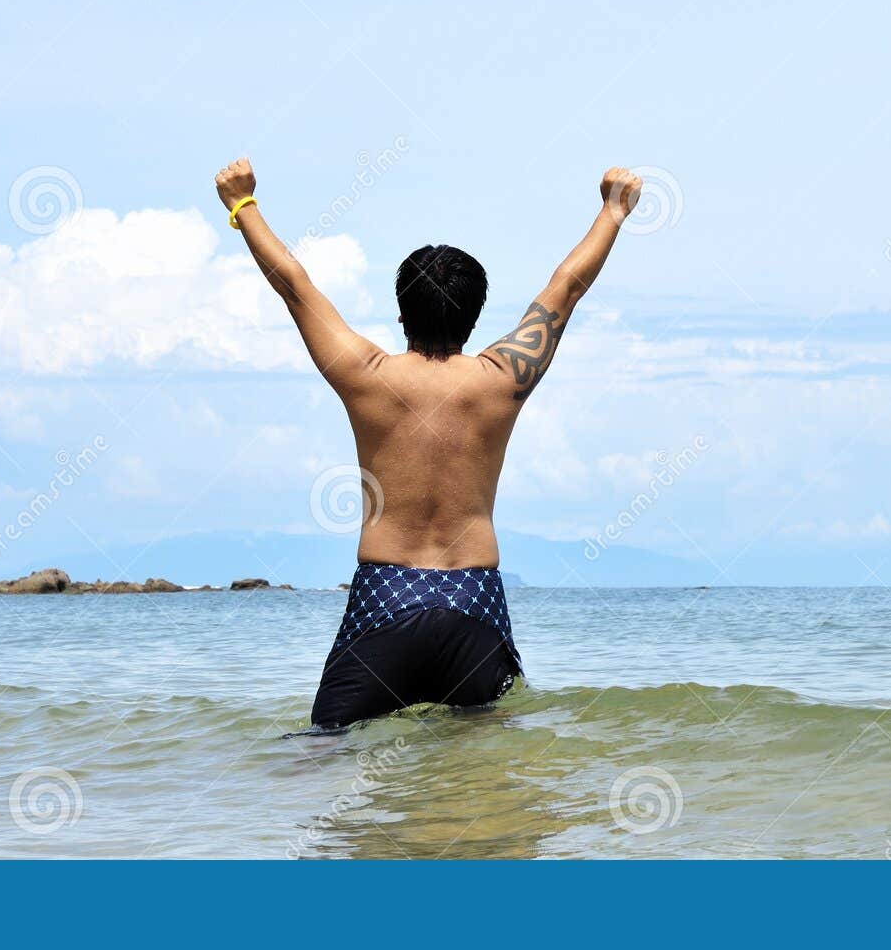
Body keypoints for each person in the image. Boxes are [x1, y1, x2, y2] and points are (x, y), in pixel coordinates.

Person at [215, 157, 642, 728]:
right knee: (479, 767)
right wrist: (613, 211)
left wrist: (243, 205)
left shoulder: (365, 375)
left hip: (385, 594)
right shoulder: (501, 380)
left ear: (399, 313)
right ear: (476, 317)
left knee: (322, 753)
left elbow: (294, 285)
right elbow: (565, 288)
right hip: (474, 600)